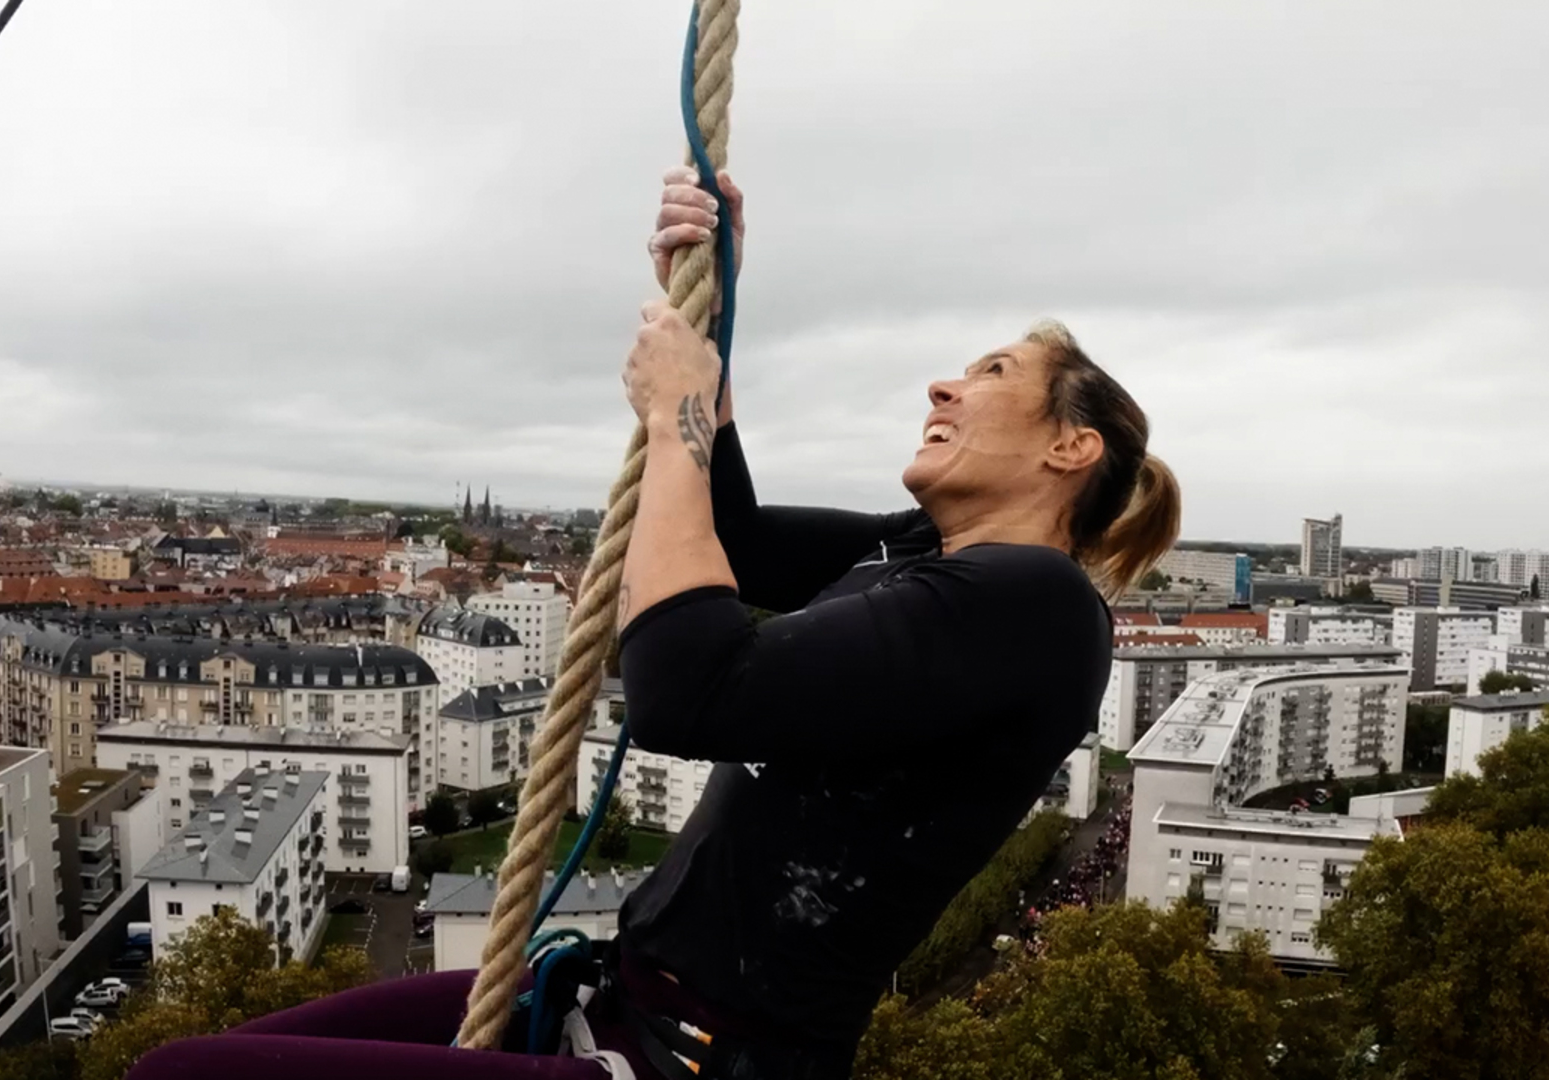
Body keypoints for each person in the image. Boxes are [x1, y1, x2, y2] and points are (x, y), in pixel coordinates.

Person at [126, 168, 1179, 1080]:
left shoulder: (1040, 606)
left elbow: (691, 688)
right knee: (195, 1062)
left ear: (1070, 449)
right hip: (620, 997)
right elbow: (734, 532)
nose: (943, 385)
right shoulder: (919, 550)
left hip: (698, 1058)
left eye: (992, 373)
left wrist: (673, 417)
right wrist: (711, 302)